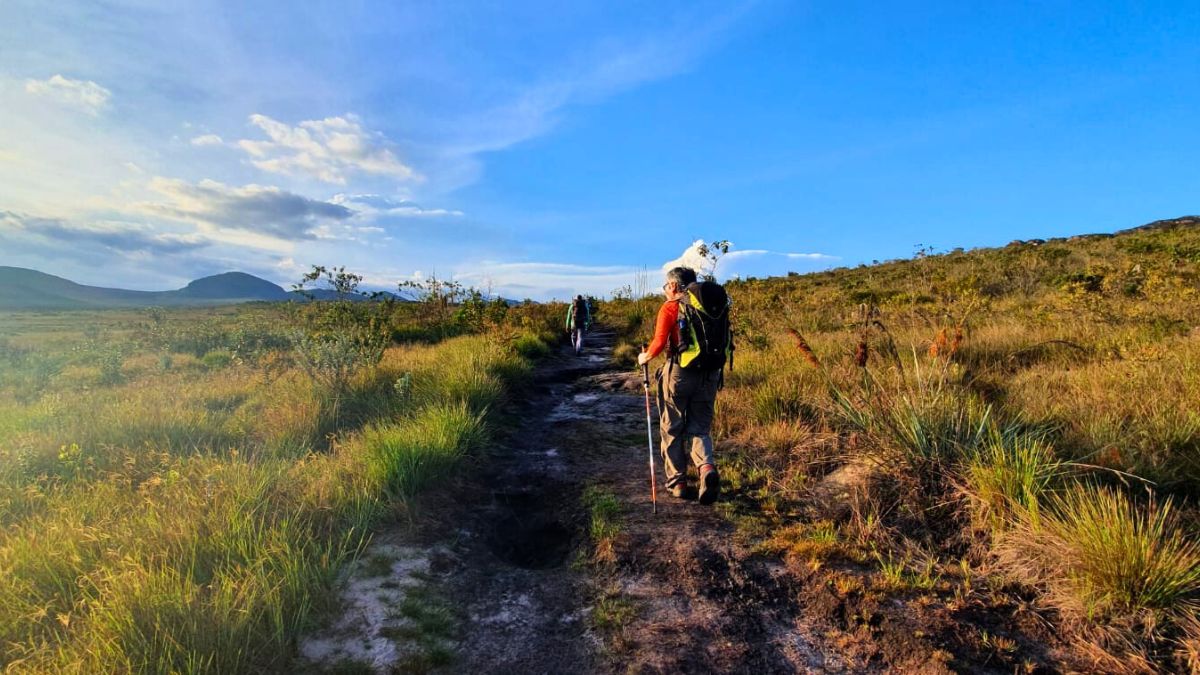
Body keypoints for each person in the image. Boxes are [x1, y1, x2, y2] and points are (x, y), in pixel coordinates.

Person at [638, 267, 725, 504]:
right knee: (700, 428)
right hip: (710, 374)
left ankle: (678, 482)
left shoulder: (671, 307)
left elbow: (659, 341)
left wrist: (645, 357)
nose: (665, 290)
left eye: (666, 286)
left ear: (674, 286)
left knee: (672, 427)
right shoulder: (712, 305)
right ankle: (706, 469)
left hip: (680, 373)